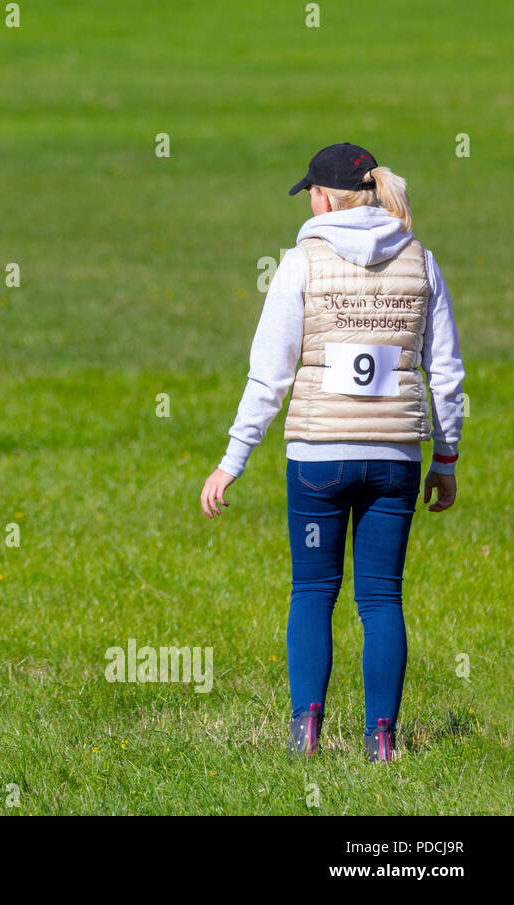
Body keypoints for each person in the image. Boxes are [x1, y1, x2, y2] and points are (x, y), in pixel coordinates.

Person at [199, 142, 465, 762]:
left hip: (318, 459)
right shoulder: (422, 261)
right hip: (395, 461)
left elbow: (270, 375)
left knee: (313, 593)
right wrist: (445, 459)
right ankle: (382, 741)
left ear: (321, 198)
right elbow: (446, 373)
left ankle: (305, 732)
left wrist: (232, 460)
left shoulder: (300, 263)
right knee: (381, 598)